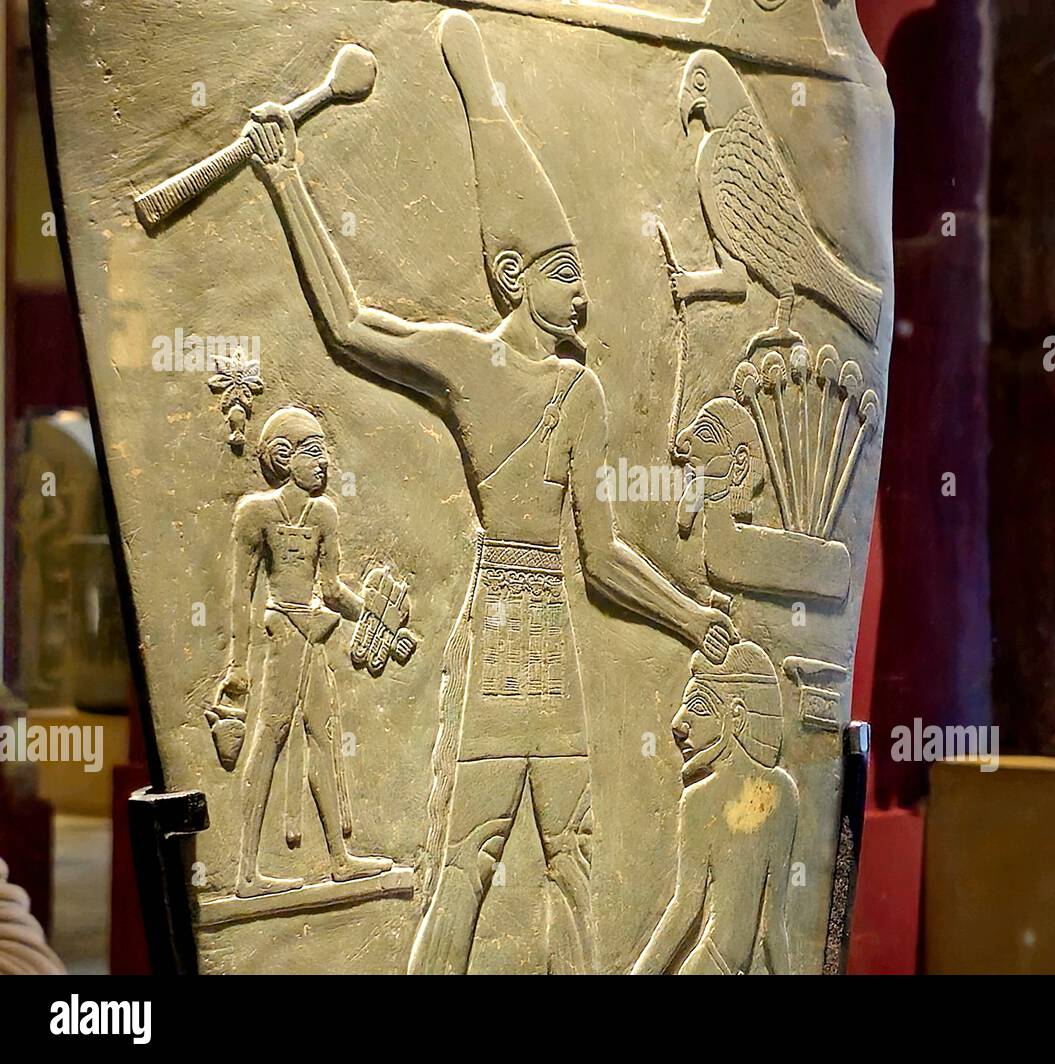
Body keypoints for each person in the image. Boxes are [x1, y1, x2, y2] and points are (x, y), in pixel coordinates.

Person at [241, 10, 735, 972]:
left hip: (547, 628)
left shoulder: (580, 393)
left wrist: (689, 617)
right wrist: (287, 177)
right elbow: (348, 325)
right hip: (506, 625)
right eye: (565, 274)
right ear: (513, 276)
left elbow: (601, 557)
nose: (583, 294)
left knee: (573, 855)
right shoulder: (468, 365)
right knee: (470, 856)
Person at [218, 407, 393, 898]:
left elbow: (332, 589)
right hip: (283, 634)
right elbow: (241, 596)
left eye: (324, 453)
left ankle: (339, 858)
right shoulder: (255, 513)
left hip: (313, 633)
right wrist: (236, 667)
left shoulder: (324, 514)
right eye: (313, 452)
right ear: (282, 457)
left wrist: (379, 621)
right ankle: (246, 873)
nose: (324, 463)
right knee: (269, 739)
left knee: (323, 735)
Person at [632, 640, 796, 975]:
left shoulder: (777, 794)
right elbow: (685, 910)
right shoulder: (779, 793)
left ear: (736, 717)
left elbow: (773, 928)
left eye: (698, 707)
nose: (679, 724)